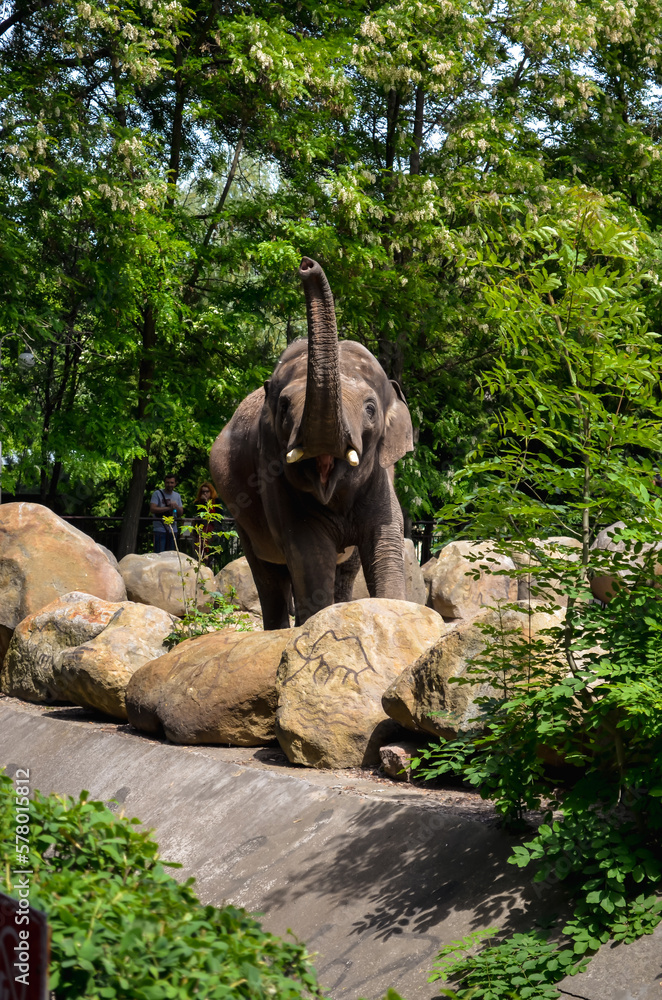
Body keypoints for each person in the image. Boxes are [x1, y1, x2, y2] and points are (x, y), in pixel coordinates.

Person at [150, 474, 184, 552]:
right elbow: (152, 509)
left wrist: (176, 507)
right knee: (159, 553)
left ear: (175, 483)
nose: (169, 485)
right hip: (160, 529)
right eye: (167, 482)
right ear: (164, 483)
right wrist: (168, 508)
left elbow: (181, 512)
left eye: (172, 482)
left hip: (173, 529)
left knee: (171, 554)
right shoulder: (157, 494)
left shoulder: (177, 496)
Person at [191, 481, 219, 565]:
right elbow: (198, 515)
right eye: (203, 492)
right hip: (201, 531)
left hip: (213, 531)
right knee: (200, 552)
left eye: (207, 491)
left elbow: (219, 514)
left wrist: (208, 502)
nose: (205, 493)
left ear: (211, 492)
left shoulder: (216, 502)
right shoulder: (197, 503)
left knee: (211, 554)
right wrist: (204, 502)